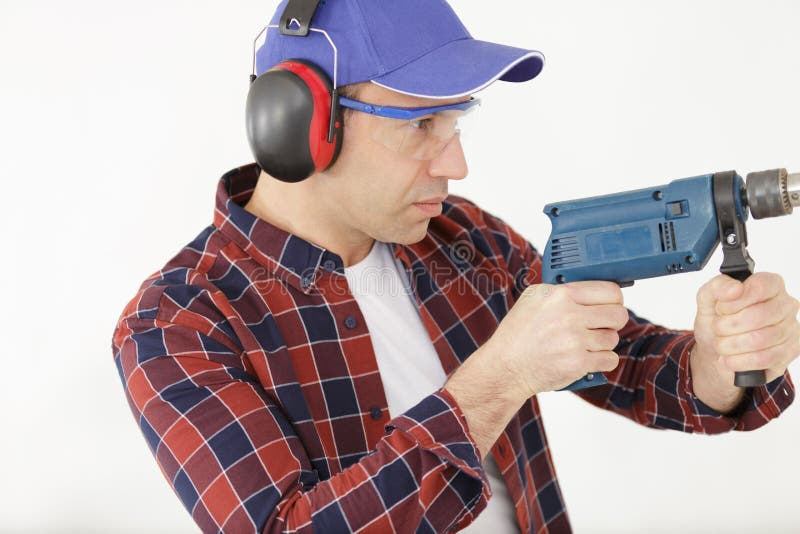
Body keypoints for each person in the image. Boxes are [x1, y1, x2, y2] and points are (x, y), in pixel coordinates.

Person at [111, 1, 799, 532]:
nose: (458, 164)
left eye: (457, 120)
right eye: (420, 126)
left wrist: (714, 364)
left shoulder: (462, 240)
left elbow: (634, 367)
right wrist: (498, 380)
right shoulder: (177, 326)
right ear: (299, 123)